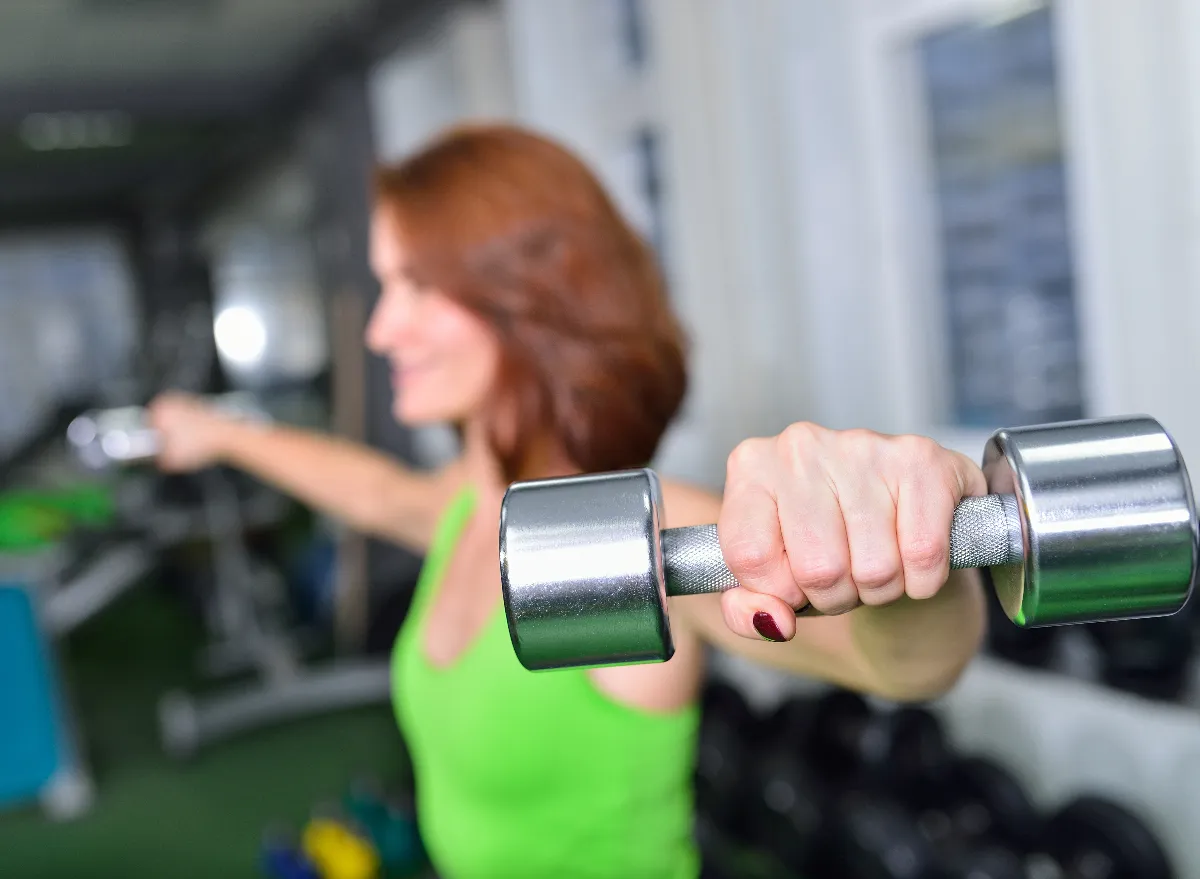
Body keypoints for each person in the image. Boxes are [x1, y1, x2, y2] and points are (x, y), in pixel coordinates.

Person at [148, 123, 987, 878]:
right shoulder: (471, 506)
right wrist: (219, 433)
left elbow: (905, 666)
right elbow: (372, 493)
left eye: (415, 286)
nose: (379, 329)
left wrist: (909, 549)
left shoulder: (638, 536)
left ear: (525, 294)